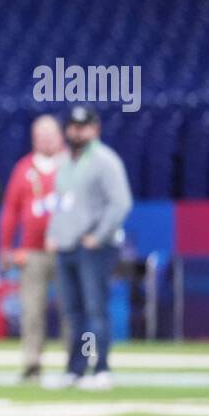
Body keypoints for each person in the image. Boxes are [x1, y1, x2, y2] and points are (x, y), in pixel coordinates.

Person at [45, 106, 133, 390]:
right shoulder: (66, 162)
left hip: (93, 247)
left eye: (82, 127)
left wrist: (99, 234)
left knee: (95, 309)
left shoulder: (105, 160)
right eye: (72, 126)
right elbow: (61, 204)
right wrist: (54, 234)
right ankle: (76, 368)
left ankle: (102, 367)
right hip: (67, 245)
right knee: (73, 312)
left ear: (95, 129)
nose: (76, 131)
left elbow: (121, 202)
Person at [0, 114, 67, 381]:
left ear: (60, 136)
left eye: (51, 135)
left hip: (66, 249)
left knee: (72, 310)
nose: (47, 140)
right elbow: (11, 211)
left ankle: (77, 361)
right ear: (34, 139)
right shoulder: (24, 168)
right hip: (32, 252)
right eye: (41, 136)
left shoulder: (71, 165)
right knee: (31, 310)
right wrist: (5, 247)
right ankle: (32, 362)